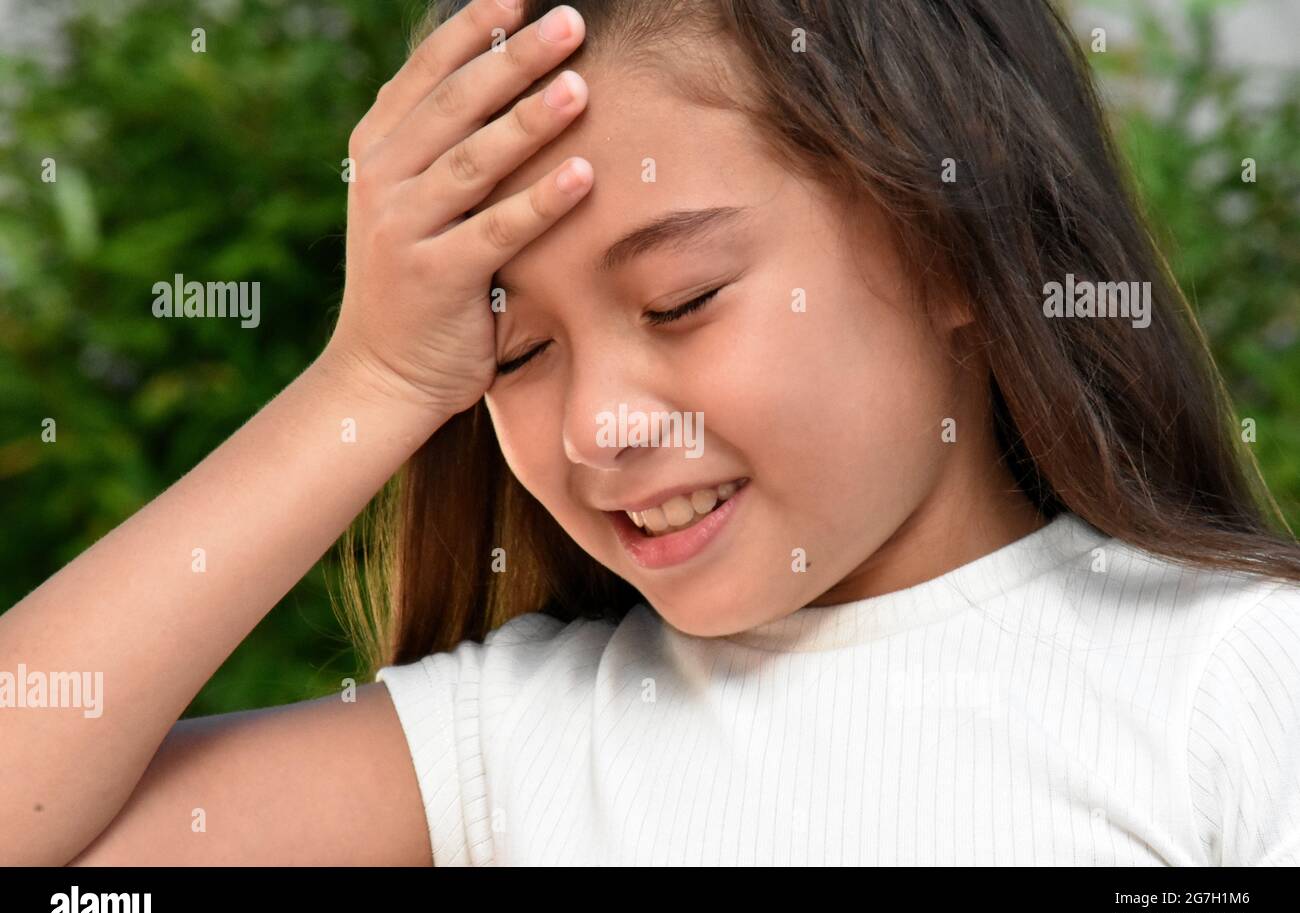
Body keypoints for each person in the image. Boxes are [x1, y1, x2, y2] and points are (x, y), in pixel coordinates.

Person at [2, 0, 1297, 866]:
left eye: (682, 301)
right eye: (514, 352)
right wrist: (378, 378)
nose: (603, 428)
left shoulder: (1230, 684)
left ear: (953, 239)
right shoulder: (506, 750)